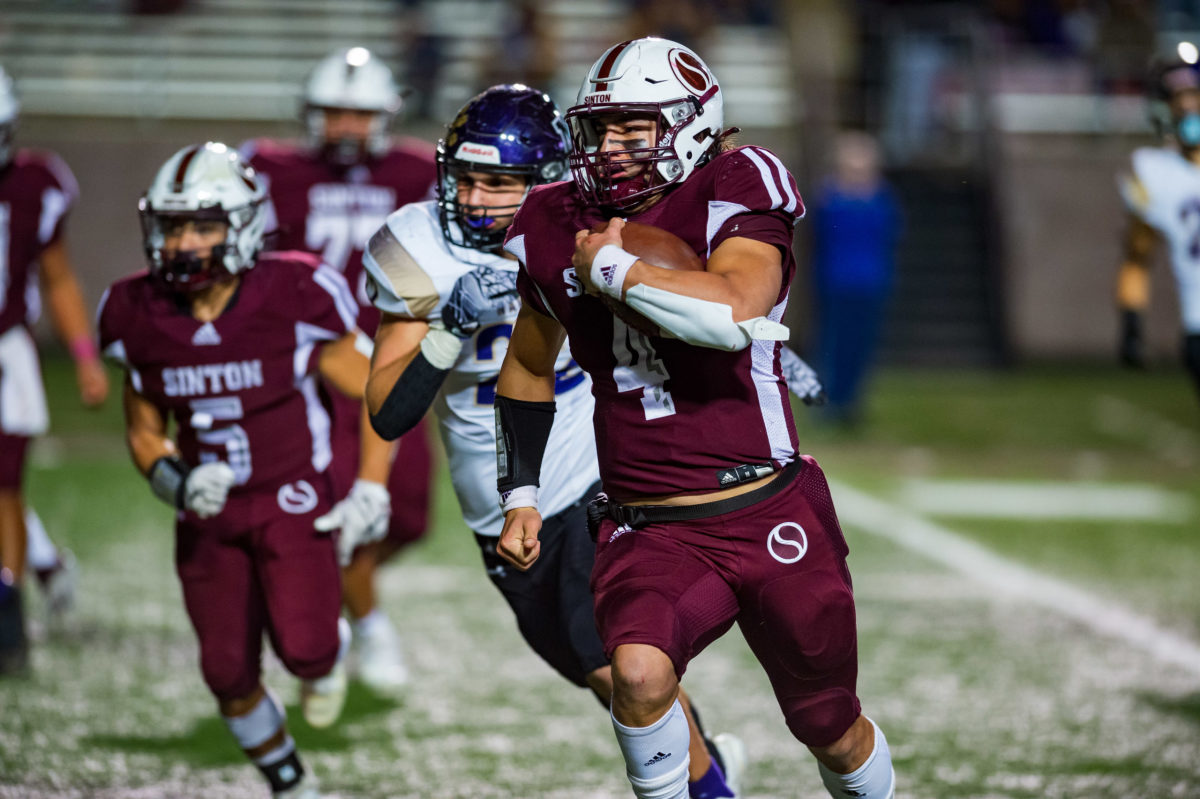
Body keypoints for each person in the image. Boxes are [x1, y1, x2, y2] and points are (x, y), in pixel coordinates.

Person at [494, 38, 896, 799]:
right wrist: (521, 492)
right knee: (638, 677)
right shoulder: (555, 217)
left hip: (766, 504)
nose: (610, 149)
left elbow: (739, 306)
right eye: (600, 129)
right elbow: (527, 363)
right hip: (651, 523)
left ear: (690, 127)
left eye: (633, 129)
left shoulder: (738, 179)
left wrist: (622, 272)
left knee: (829, 727)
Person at [361, 83, 753, 799]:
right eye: (468, 179)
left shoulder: (590, 221)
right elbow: (387, 411)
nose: (478, 200)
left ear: (544, 180)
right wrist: (449, 326)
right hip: (503, 500)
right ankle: (708, 766)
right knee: (604, 673)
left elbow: (690, 294)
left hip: (601, 470)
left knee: (616, 663)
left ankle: (708, 790)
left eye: (501, 183)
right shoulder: (419, 246)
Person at [99, 142, 391, 799]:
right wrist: (173, 479)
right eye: (173, 226)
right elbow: (144, 429)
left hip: (292, 497)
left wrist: (371, 485)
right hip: (207, 511)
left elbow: (379, 391)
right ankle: (289, 782)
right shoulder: (134, 311)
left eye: (202, 224)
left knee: (309, 650)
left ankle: (329, 650)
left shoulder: (294, 290)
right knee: (226, 670)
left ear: (244, 226)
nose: (184, 243)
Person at [241, 45, 438, 690]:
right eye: (333, 114)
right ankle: (367, 624)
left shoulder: (418, 172)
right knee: (339, 505)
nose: (346, 127)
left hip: (395, 359)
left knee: (406, 513)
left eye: (359, 115)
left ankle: (335, 587)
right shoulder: (269, 169)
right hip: (314, 373)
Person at [0, 64, 108, 673]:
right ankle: (44, 566)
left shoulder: (35, 182)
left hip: (5, 347)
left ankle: (8, 606)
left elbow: (58, 275)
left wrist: (84, 357)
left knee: (6, 483)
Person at [1116, 52, 1200, 401]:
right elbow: (1138, 255)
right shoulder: (1153, 171)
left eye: (1194, 97)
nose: (1188, 109)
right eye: (1178, 100)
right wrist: (1132, 323)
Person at [810, 131, 900, 426]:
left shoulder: (883, 199)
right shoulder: (830, 197)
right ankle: (827, 402)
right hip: (836, 282)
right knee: (833, 342)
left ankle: (850, 402)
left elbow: (889, 235)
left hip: (871, 283)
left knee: (861, 344)